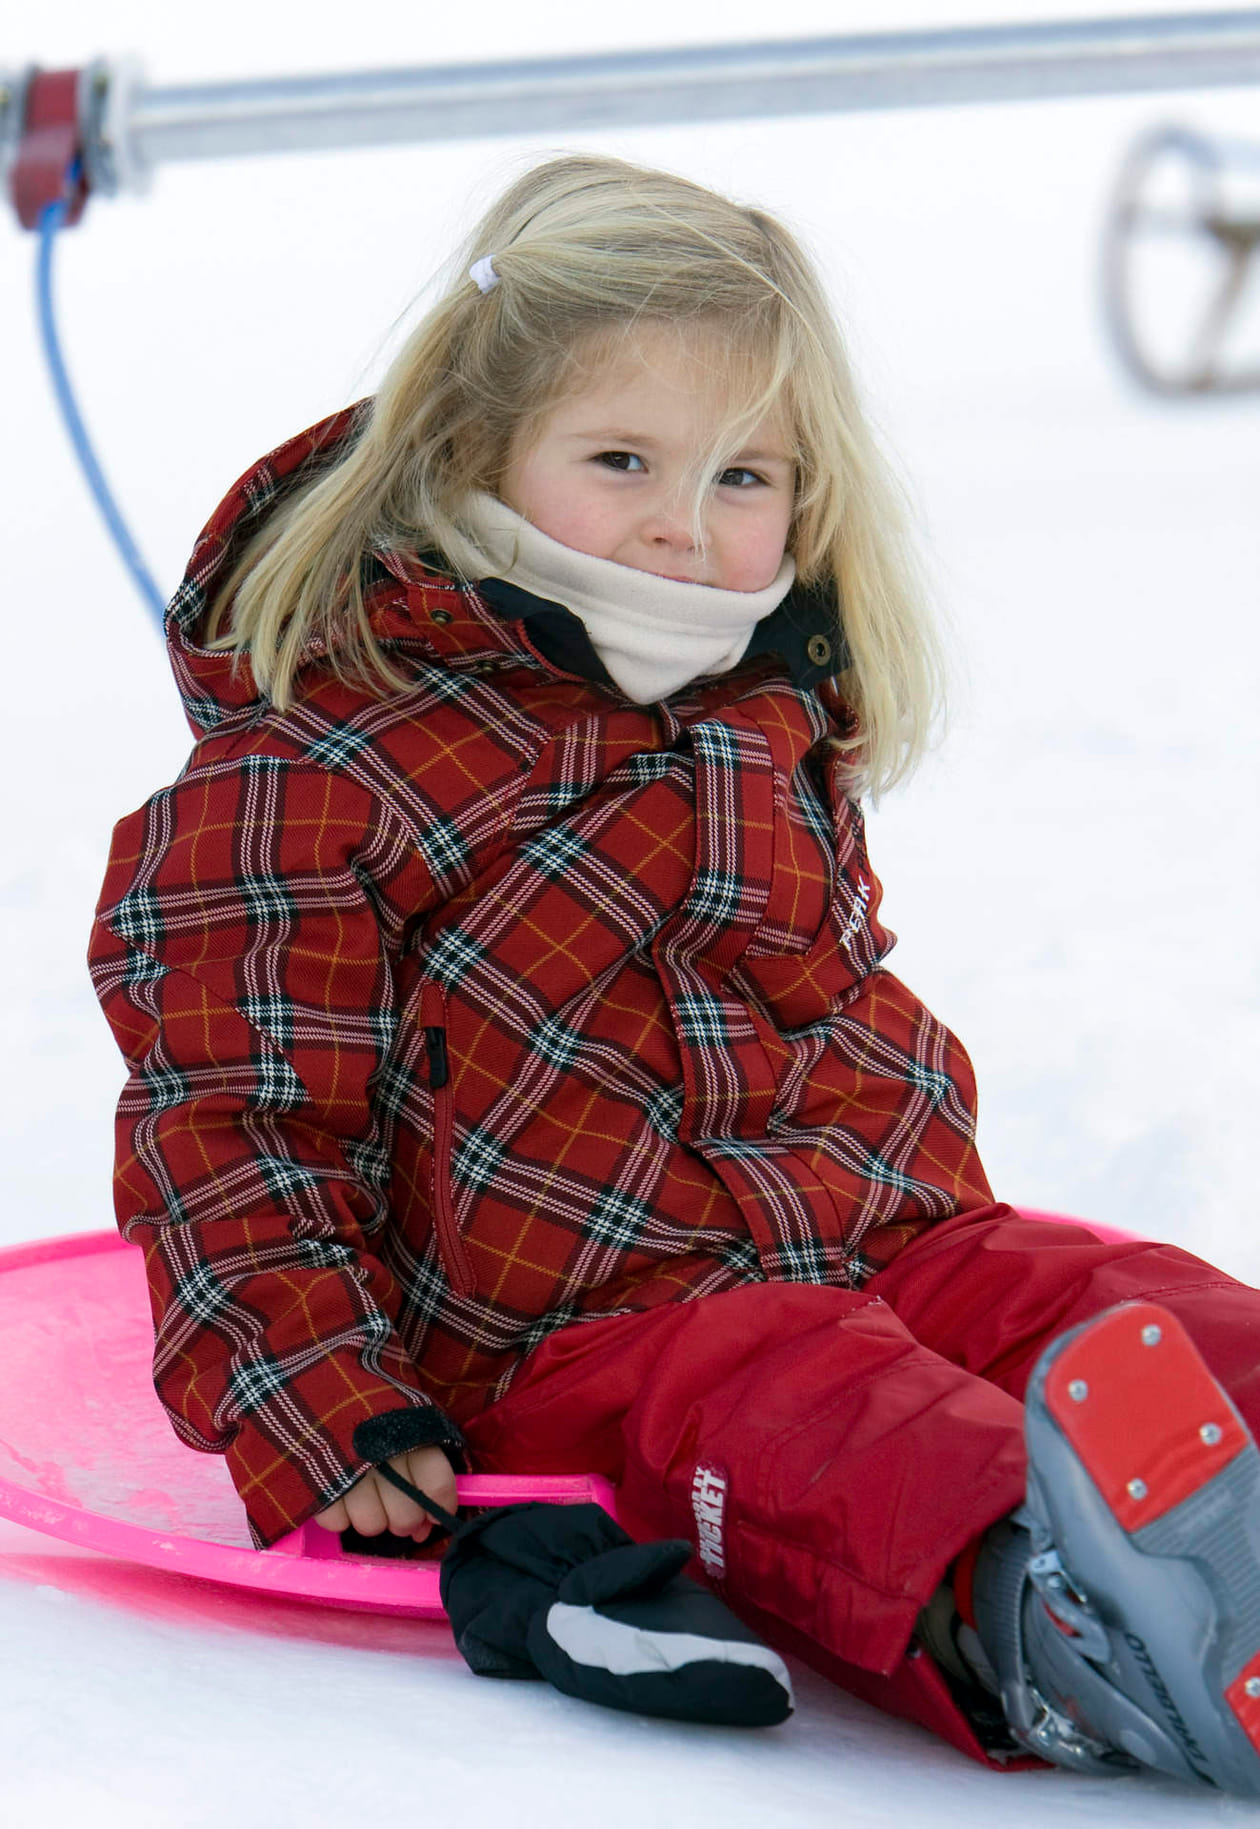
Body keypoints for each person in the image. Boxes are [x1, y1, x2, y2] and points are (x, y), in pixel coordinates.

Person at [89, 154, 1260, 1791]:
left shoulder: (761, 704)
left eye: (741, 477)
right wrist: (323, 1396)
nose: (682, 524)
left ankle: (1234, 1498)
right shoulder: (324, 765)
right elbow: (235, 1121)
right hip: (575, 1344)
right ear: (472, 453)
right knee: (814, 1402)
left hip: (878, 1237)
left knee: (1099, 1303)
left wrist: (913, 1204)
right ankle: (1060, 1618)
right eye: (623, 458)